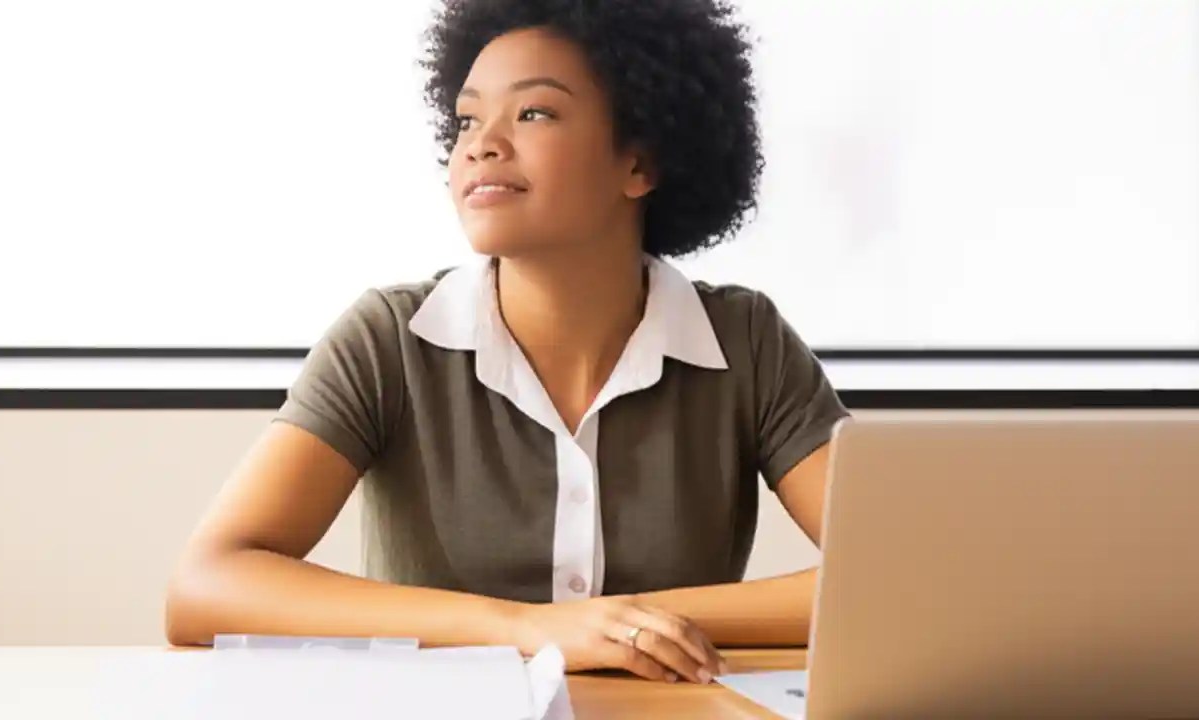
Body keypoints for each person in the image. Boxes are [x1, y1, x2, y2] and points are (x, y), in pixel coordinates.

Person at [165, 0, 849, 686]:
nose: (481, 143)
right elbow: (206, 585)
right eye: (468, 119)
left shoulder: (746, 343)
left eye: (534, 113)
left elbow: (900, 571)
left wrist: (630, 620)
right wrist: (527, 628)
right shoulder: (387, 340)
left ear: (639, 163)